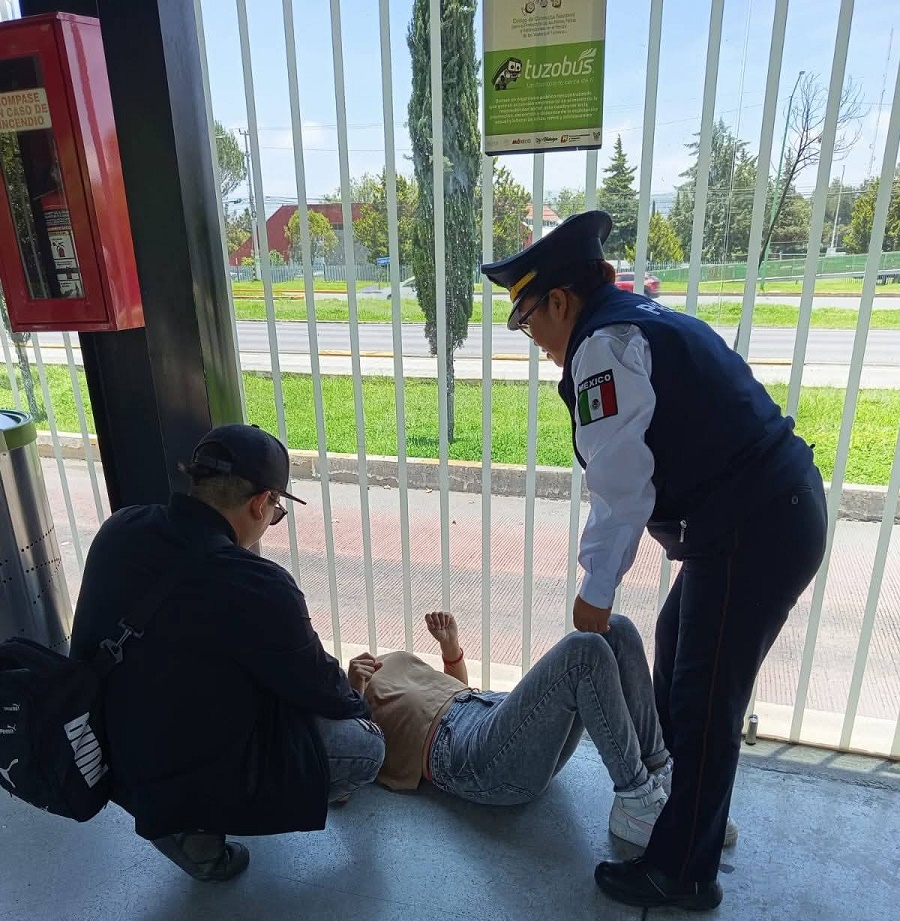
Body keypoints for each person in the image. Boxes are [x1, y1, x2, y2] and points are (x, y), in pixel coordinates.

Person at [481, 212, 827, 911]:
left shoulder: (602, 348)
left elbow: (621, 484)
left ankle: (682, 870)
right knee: (681, 652)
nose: (535, 341)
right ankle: (689, 814)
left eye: (526, 320)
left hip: (752, 531)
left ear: (560, 300)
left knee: (704, 701)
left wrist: (597, 588)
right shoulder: (636, 318)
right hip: (761, 518)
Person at [70, 424, 385, 882]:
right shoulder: (258, 584)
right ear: (261, 503)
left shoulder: (121, 527)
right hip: (183, 770)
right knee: (365, 746)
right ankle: (191, 818)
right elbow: (326, 693)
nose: (271, 518)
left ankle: (175, 817)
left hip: (102, 757)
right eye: (277, 510)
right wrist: (361, 702)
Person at [361, 610, 680, 851]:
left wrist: (450, 647)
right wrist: (351, 692)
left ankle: (660, 774)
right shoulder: (350, 707)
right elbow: (347, 766)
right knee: (584, 651)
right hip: (467, 755)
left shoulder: (383, 662)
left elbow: (453, 690)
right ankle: (636, 800)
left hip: (483, 709)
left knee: (616, 629)